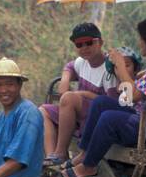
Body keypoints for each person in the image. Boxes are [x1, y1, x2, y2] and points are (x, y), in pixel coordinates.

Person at [64, 15, 146, 177]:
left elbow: (132, 96)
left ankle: (88, 167)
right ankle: (85, 153)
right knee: (101, 103)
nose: (140, 43)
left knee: (109, 118)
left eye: (142, 39)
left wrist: (120, 65)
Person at [41, 23, 120, 164]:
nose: (84, 48)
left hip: (97, 118)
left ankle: (60, 153)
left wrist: (82, 94)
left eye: (89, 43)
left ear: (100, 42)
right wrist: (65, 80)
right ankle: (51, 156)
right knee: (43, 111)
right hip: (78, 115)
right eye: (79, 44)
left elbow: (111, 103)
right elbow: (69, 67)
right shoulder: (81, 62)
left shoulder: (109, 68)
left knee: (69, 98)